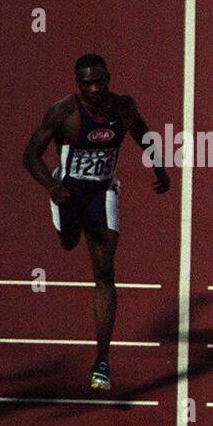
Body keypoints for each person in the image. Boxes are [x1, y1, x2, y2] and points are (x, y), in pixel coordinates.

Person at [21, 54, 170, 389]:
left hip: (103, 193)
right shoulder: (64, 112)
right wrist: (53, 186)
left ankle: (102, 359)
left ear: (108, 78)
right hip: (68, 193)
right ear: (78, 85)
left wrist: (160, 168)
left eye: (99, 82)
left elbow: (143, 135)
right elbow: (30, 154)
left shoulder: (124, 109)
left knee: (104, 272)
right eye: (86, 83)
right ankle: (66, 220)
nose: (93, 89)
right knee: (69, 242)